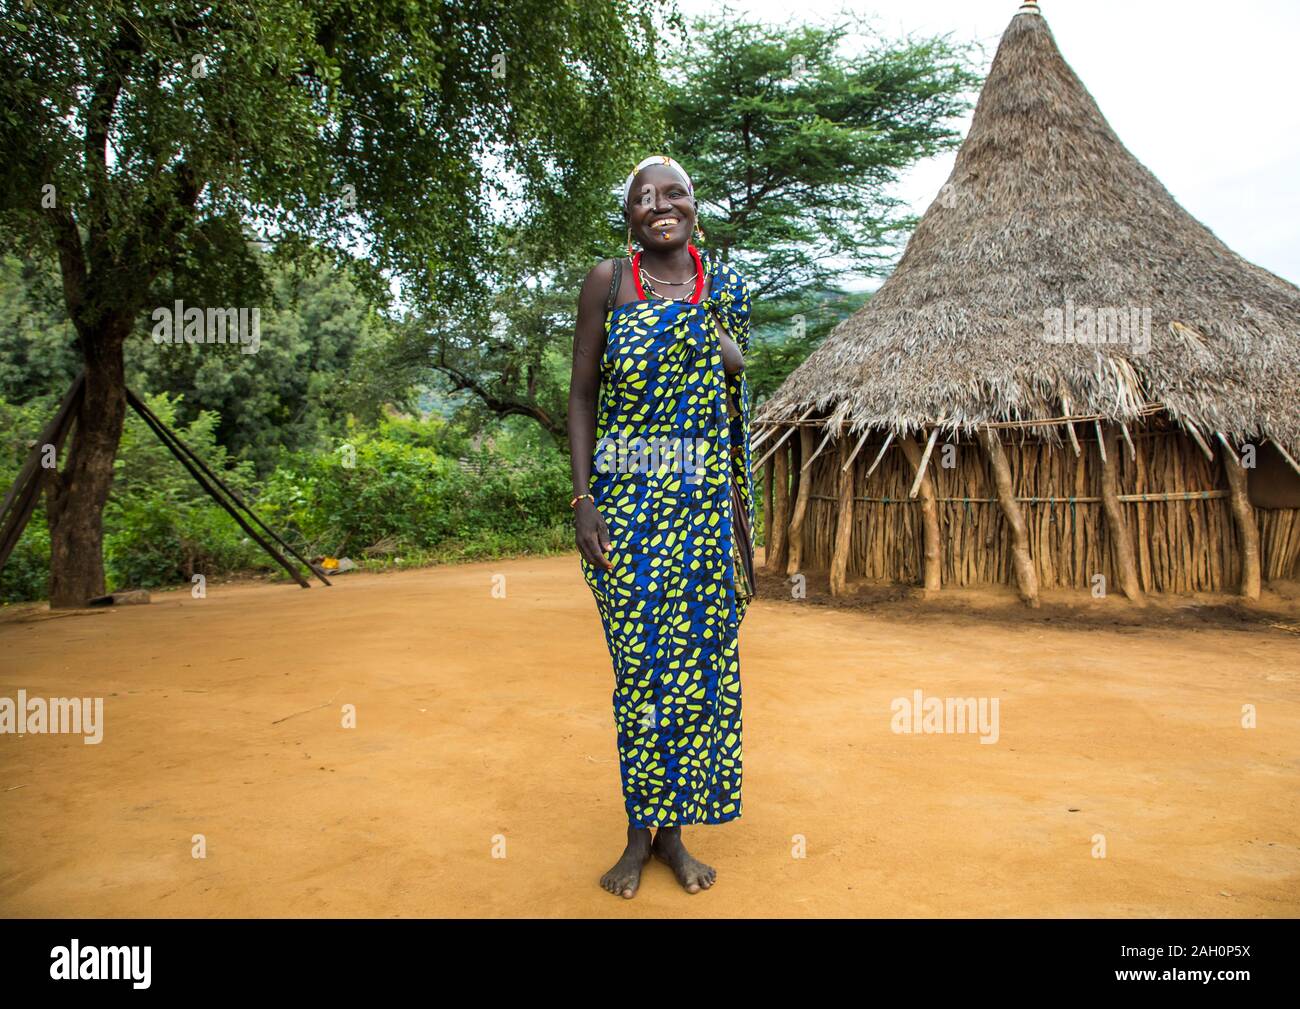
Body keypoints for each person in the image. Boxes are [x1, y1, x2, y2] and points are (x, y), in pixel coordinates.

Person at [567, 155, 755, 898]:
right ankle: (636, 833)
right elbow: (582, 395)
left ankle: (674, 836)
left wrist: (701, 328)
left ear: (694, 205)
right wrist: (583, 501)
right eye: (642, 198)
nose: (658, 204)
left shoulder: (725, 285)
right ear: (630, 219)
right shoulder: (607, 283)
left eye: (671, 192)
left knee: (695, 670)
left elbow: (739, 377)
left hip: (702, 507)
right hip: (626, 505)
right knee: (639, 669)